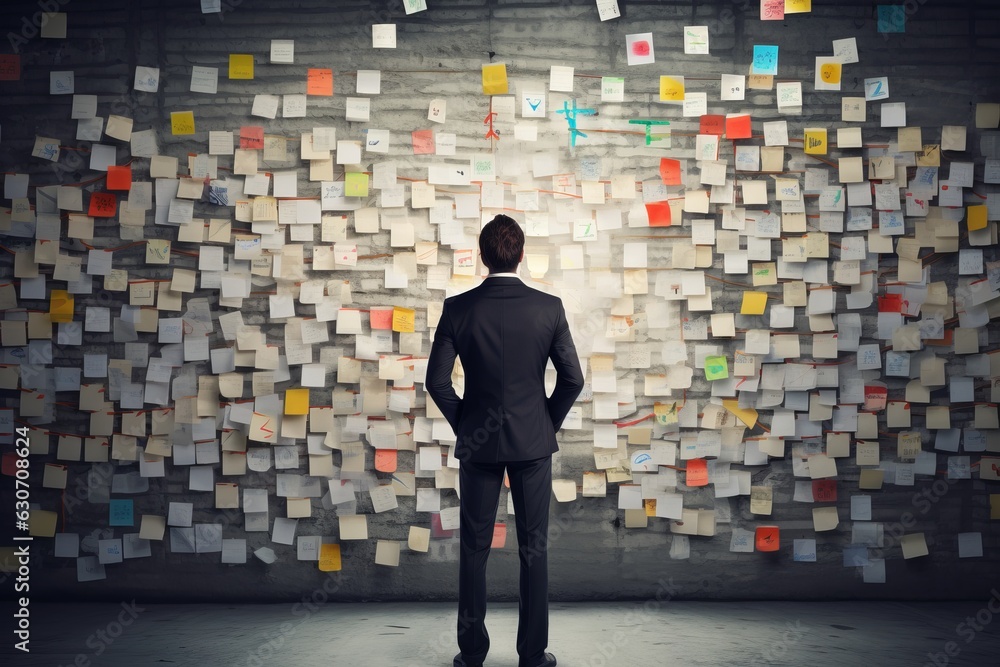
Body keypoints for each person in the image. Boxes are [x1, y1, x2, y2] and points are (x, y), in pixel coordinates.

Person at [425, 214, 584, 667]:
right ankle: (532, 655)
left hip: (479, 443)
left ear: (482, 256)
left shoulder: (457, 308)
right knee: (533, 548)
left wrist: (468, 426)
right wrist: (542, 426)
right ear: (521, 253)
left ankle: (471, 653)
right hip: (532, 444)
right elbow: (572, 379)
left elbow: (437, 383)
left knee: (473, 549)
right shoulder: (549, 307)